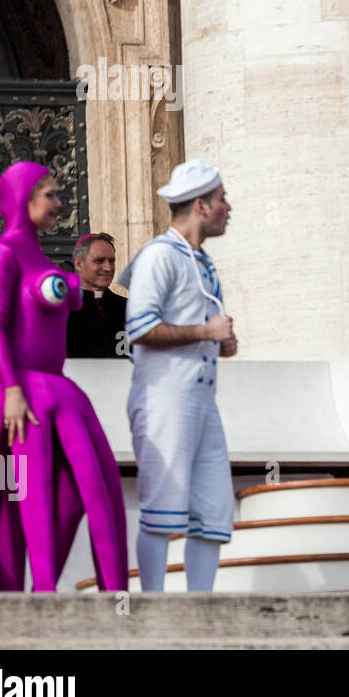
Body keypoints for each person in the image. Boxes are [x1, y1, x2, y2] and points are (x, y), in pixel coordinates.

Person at [0, 162, 127, 592]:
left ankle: (55, 593)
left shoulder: (42, 259)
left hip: (56, 392)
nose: (59, 203)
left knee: (89, 492)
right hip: (15, 393)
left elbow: (71, 296)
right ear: (25, 199)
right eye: (50, 195)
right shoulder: (2, 255)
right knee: (4, 501)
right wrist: (11, 389)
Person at [117, 159, 237, 591]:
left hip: (202, 400)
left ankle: (197, 615)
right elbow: (140, 328)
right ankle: (151, 610)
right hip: (164, 397)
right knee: (162, 508)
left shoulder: (203, 263)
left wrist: (219, 342)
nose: (228, 207)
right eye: (222, 198)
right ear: (201, 205)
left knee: (213, 510)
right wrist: (206, 331)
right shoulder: (158, 256)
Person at [66, 232, 128, 358]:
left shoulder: (130, 307)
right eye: (99, 261)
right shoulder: (63, 310)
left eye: (111, 261)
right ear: (79, 264)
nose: (108, 268)